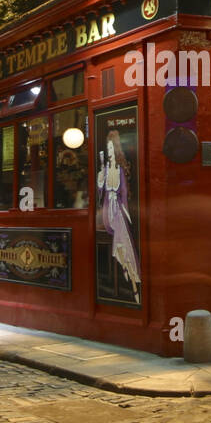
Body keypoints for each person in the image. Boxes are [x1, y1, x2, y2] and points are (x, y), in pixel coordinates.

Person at [97, 130, 141, 304]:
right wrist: (99, 183)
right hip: (108, 212)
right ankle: (129, 277)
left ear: (115, 149)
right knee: (121, 238)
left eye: (110, 147)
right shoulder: (105, 170)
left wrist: (126, 214)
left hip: (119, 211)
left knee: (123, 237)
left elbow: (123, 193)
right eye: (106, 148)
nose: (108, 152)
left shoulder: (120, 170)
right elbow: (101, 195)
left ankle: (130, 278)